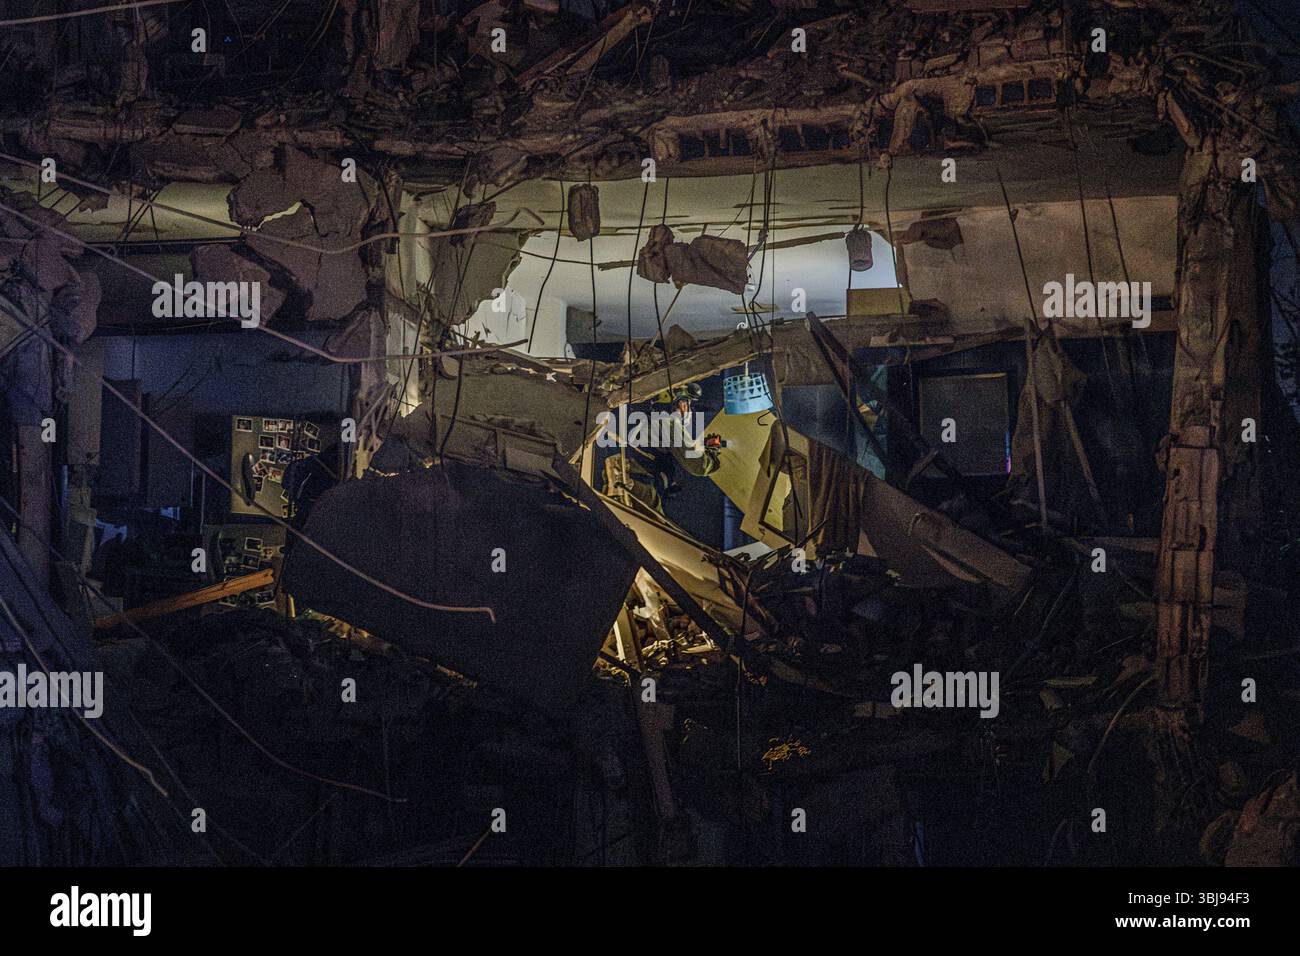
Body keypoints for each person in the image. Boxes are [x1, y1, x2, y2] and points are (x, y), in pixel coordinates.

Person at [619, 383, 724, 516]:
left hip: (627, 483)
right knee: (657, 532)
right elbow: (699, 466)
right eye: (686, 403)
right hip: (639, 488)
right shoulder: (668, 423)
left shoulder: (649, 422)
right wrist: (712, 451)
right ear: (676, 404)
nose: (689, 410)